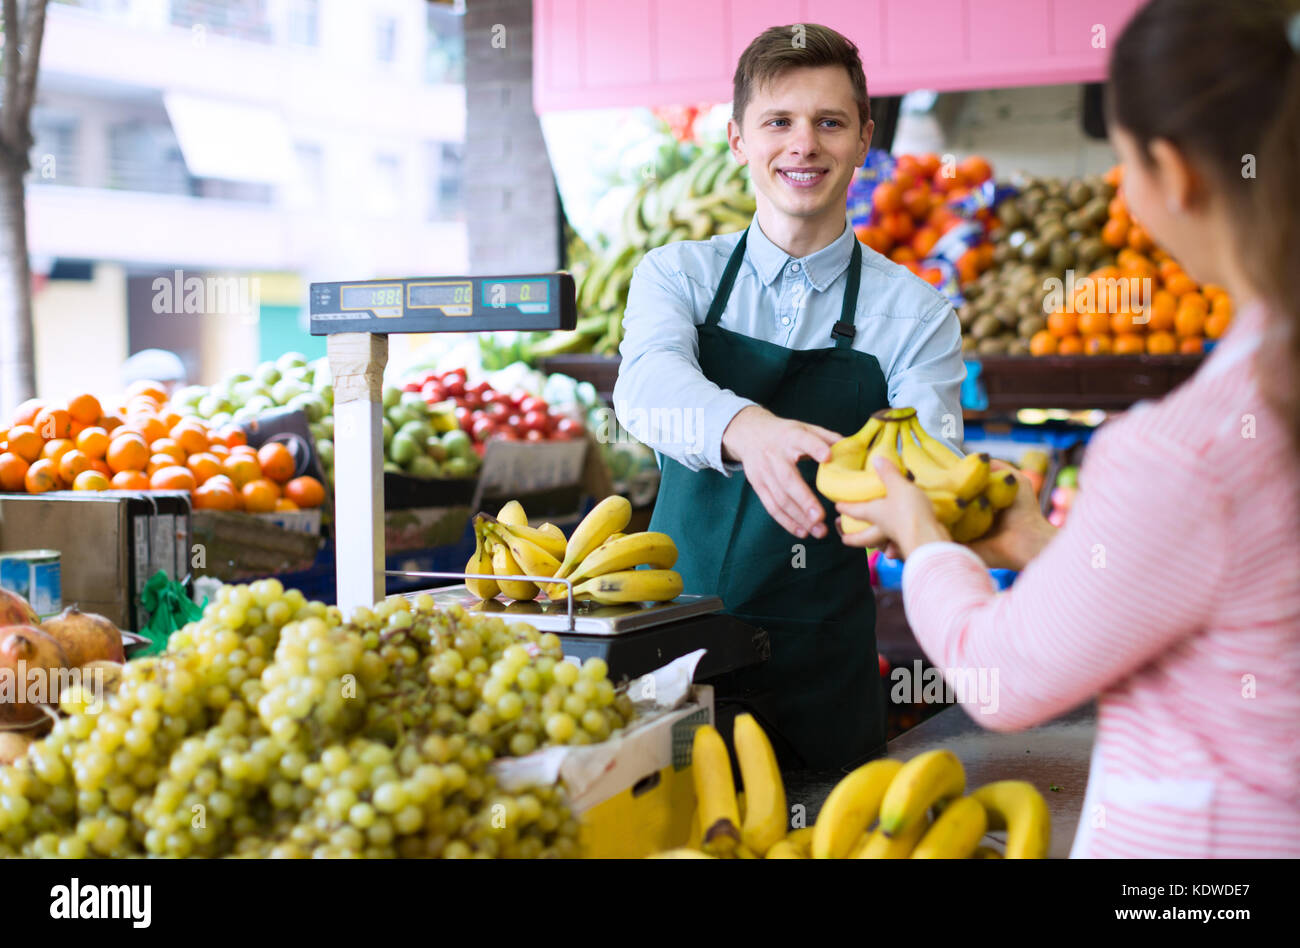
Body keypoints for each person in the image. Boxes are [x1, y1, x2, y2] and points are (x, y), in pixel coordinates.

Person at [839, 0, 1300, 857]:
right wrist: (1035, 542)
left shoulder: (1177, 449)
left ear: (1172, 170)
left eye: (1124, 162)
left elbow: (1000, 679)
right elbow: (1197, 604)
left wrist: (920, 536)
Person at [614, 25, 965, 769]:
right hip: (676, 650)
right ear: (739, 138)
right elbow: (645, 386)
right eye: (779, 122)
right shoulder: (677, 275)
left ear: (865, 137)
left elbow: (936, 462)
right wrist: (749, 428)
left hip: (823, 666)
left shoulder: (917, 315)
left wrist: (909, 506)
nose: (802, 145)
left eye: (829, 122)